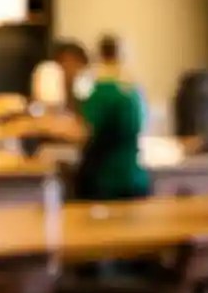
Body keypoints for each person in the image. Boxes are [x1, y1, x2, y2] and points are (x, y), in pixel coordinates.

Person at [42, 35, 151, 201]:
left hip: (107, 183)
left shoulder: (103, 92)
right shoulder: (134, 91)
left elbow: (82, 133)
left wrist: (42, 127)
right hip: (134, 178)